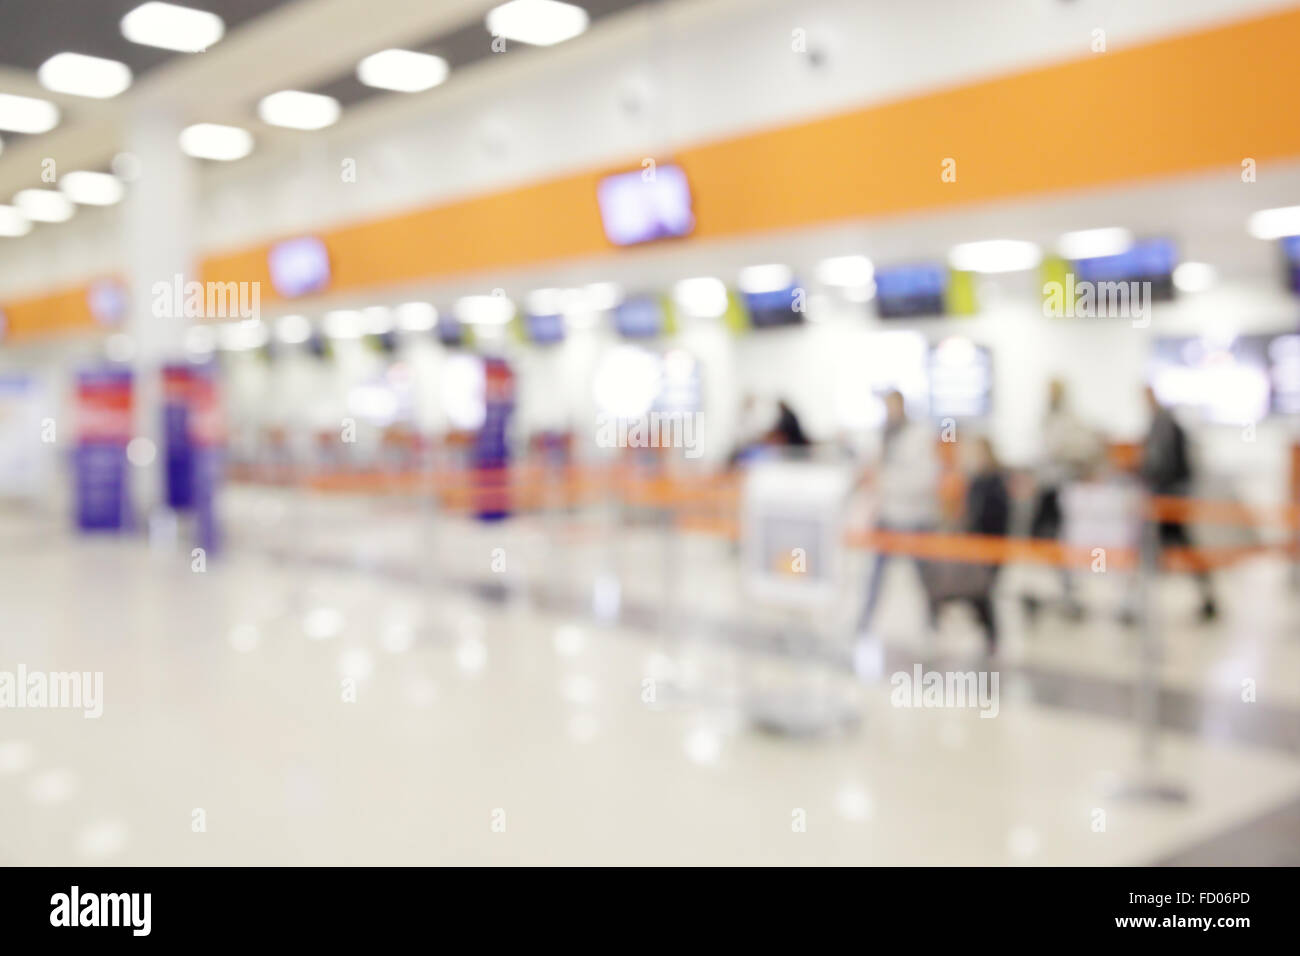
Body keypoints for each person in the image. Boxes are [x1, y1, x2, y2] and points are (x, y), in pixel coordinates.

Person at [855, 390, 941, 638]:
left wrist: (884, 481)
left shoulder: (921, 435)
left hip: (916, 517)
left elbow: (925, 479)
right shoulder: (883, 436)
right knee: (874, 575)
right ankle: (864, 622)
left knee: (924, 578)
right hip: (888, 515)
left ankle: (932, 623)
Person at [1025, 378, 1102, 621]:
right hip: (1046, 487)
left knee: (1065, 541)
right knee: (1039, 542)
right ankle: (1040, 592)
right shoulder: (1046, 418)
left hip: (1062, 489)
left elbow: (1082, 449)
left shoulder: (1070, 421)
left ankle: (1070, 594)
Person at [1138, 385, 1217, 621]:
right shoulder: (1163, 422)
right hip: (1167, 498)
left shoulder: (1164, 424)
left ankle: (1207, 599)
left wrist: (1150, 479)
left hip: (1169, 500)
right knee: (1155, 551)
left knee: (1168, 549)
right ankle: (1142, 605)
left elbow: (1161, 463)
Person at [927, 436, 1011, 656]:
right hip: (973, 549)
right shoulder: (973, 482)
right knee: (971, 595)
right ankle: (946, 631)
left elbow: (998, 520)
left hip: (989, 549)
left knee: (982, 596)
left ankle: (991, 638)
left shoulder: (996, 483)